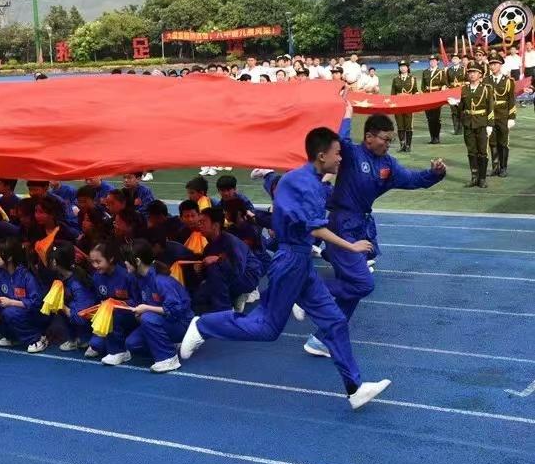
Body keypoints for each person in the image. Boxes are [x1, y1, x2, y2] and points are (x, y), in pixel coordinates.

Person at [180, 126, 391, 411]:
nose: (342, 158)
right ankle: (204, 325)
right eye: (337, 154)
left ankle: (354, 388)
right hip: (289, 260)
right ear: (321, 155)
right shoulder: (300, 183)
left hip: (301, 261)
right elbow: (315, 227)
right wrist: (351, 246)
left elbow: (333, 152)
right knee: (267, 328)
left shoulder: (312, 178)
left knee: (335, 321)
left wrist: (346, 111)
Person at [299, 108, 445, 357]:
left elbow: (412, 179)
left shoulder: (388, 164)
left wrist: (435, 174)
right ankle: (302, 289)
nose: (389, 144)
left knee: (352, 287)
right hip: (342, 225)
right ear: (369, 137)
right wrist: (346, 113)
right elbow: (339, 140)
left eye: (391, 140)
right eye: (385, 139)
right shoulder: (353, 155)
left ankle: (322, 339)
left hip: (362, 227)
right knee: (363, 284)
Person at [121, 239, 194, 373]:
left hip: (181, 323)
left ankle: (169, 358)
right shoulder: (138, 278)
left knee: (147, 317)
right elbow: (137, 302)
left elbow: (175, 310)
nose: (124, 262)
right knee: (132, 344)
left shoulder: (161, 281)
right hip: (162, 321)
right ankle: (170, 345)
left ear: (137, 261)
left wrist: (145, 309)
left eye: (127, 259)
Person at [0, 237, 49, 353]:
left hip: (34, 316)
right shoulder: (0, 273)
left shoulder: (26, 276)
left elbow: (36, 303)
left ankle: (37, 338)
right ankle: (13, 337)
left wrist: (11, 302)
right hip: (13, 313)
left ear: (9, 257)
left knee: (9, 312)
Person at [87, 242, 139, 364]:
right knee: (95, 346)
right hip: (107, 319)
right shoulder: (96, 277)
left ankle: (118, 351)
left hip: (129, 316)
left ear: (110, 259)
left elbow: (137, 302)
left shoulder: (127, 276)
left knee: (113, 311)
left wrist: (115, 304)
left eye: (98, 262)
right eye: (92, 262)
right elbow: (97, 299)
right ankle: (103, 342)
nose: (95, 265)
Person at [49, 241, 98, 351]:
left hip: (88, 321)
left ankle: (85, 338)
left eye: (51, 259)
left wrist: (61, 306)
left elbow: (81, 317)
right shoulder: (61, 276)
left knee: (65, 306)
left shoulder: (77, 284)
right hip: (76, 313)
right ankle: (74, 338)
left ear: (55, 262)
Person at [452, 63, 494, 188]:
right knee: (471, 151)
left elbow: (490, 107)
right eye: (470, 72)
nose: (471, 74)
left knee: (482, 152)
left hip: (482, 123)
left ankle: (482, 178)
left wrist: (490, 124)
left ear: (480, 74)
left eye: (474, 72)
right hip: (469, 123)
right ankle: (474, 177)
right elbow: (462, 108)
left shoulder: (486, 89)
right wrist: (455, 104)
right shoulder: (464, 89)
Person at [487, 52, 516, 177]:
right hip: (490, 116)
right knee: (492, 142)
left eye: (495, 64)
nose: (493, 66)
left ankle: (503, 167)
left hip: (503, 115)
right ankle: (495, 167)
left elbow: (511, 100)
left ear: (500, 65)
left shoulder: (508, 81)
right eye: (491, 64)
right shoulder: (485, 80)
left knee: (503, 142)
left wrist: (511, 117)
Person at [390, 60, 418, 152]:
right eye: (401, 66)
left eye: (404, 66)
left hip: (409, 104)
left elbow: (415, 91)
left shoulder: (412, 79)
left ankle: (408, 145)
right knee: (400, 126)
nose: (402, 68)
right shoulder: (395, 79)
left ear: (408, 68)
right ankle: (402, 145)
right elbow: (393, 94)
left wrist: (417, 95)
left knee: (408, 126)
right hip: (398, 105)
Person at [421, 55, 447, 144]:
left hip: (437, 96)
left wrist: (443, 89)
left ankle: (437, 137)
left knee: (436, 117)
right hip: (427, 96)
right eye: (431, 61)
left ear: (437, 62)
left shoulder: (441, 72)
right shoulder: (425, 72)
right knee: (429, 118)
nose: (432, 62)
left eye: (434, 61)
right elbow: (423, 86)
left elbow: (444, 83)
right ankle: (432, 137)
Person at [445, 54, 466, 135]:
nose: (454, 60)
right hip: (452, 92)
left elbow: (467, 80)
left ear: (459, 60)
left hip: (461, 92)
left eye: (456, 58)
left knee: (461, 111)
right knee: (454, 112)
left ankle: (461, 128)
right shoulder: (449, 70)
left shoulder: (463, 70)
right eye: (453, 59)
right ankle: (456, 129)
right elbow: (446, 81)